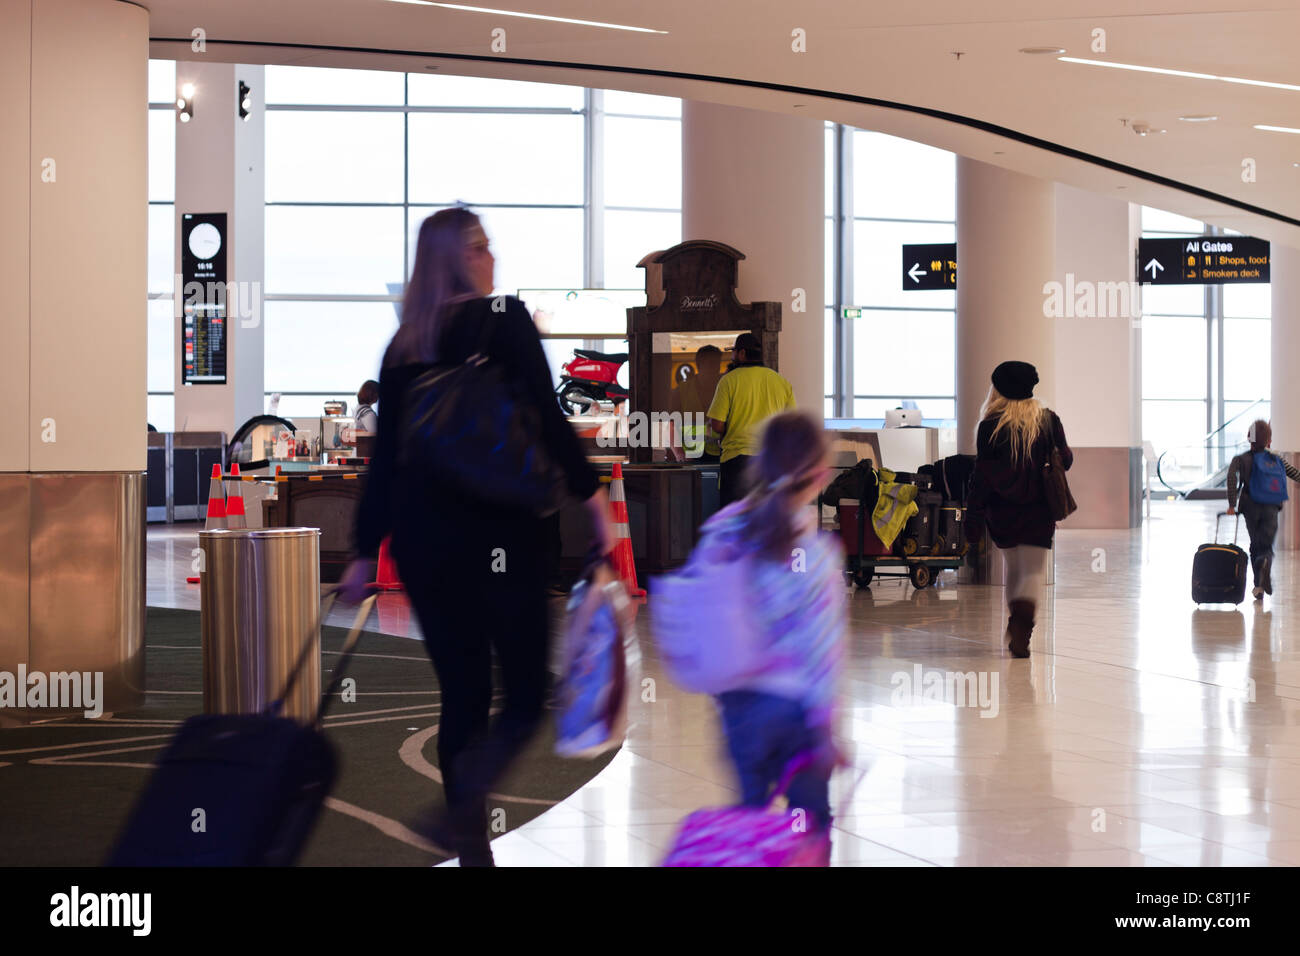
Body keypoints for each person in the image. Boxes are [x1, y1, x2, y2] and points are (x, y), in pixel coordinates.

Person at [339, 208, 615, 866]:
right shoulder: (503, 319)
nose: (492, 258)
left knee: (461, 693)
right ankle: (463, 810)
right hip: (503, 536)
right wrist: (592, 495)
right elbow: (547, 416)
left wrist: (360, 551)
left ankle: (471, 851)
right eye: (482, 248)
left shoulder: (403, 347)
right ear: (460, 259)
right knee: (524, 694)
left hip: (425, 544)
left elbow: (386, 464)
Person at [695, 411, 845, 849]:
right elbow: (821, 648)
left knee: (751, 812)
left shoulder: (722, 531)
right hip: (798, 711)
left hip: (740, 706)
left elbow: (704, 613)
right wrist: (825, 726)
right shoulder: (813, 553)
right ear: (820, 475)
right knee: (806, 821)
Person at [966, 361, 1073, 659]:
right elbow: (1066, 459)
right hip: (1040, 510)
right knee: (1033, 571)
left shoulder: (990, 424)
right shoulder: (1049, 421)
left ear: (999, 388)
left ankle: (1018, 624)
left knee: (1014, 567)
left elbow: (982, 475)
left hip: (1002, 511)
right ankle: (1021, 628)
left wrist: (973, 516)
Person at [707, 332, 796, 506]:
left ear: (741, 354)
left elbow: (717, 425)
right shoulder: (781, 382)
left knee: (736, 518)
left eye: (733, 352)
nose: (732, 356)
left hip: (737, 461)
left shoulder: (729, 381)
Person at [1226, 419, 1300, 599]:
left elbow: (1231, 478)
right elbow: (1295, 474)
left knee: (1255, 544)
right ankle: (1264, 562)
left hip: (1250, 506)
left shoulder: (1240, 459)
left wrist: (1231, 503)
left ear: (1249, 438)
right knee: (1266, 546)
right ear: (1269, 441)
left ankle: (1258, 586)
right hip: (1271, 507)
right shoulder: (1277, 460)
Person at [668, 345, 724, 463]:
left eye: (716, 364)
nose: (714, 368)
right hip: (690, 455)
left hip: (721, 453)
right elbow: (671, 425)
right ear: (699, 365)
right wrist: (679, 453)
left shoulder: (726, 387)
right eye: (710, 364)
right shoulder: (682, 391)